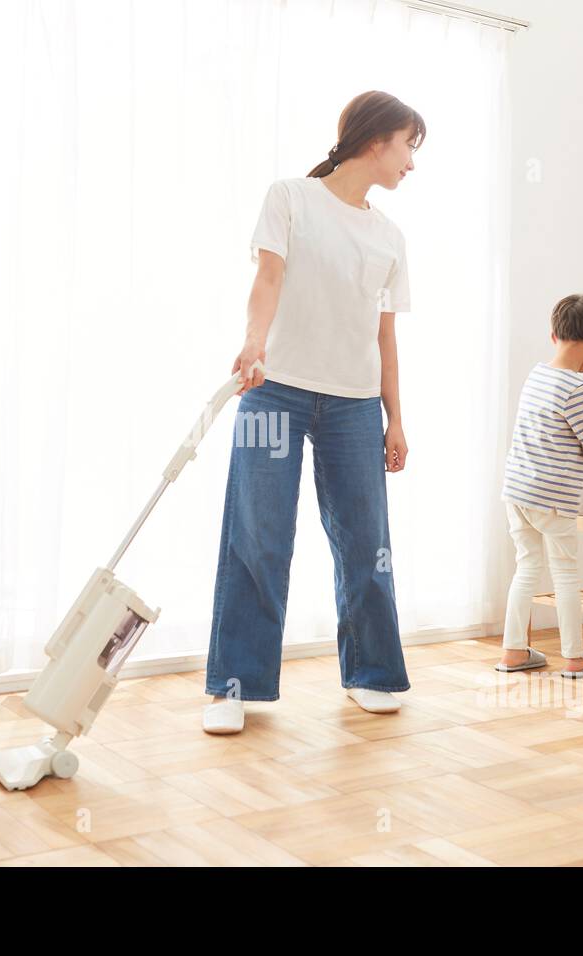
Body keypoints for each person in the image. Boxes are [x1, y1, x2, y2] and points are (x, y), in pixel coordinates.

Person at [202, 91, 425, 734]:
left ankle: (373, 674)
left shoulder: (389, 237)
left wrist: (396, 417)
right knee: (257, 537)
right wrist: (252, 341)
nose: (412, 161)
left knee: (366, 544)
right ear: (376, 138)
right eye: (409, 145)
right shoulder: (291, 198)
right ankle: (234, 686)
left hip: (355, 406)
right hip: (275, 390)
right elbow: (267, 279)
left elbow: (385, 336)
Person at [498, 293, 583, 679]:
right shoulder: (578, 388)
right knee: (567, 573)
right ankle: (574, 657)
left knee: (527, 567)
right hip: (552, 499)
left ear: (554, 335)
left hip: (517, 491)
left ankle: (513, 651)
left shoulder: (536, 376)